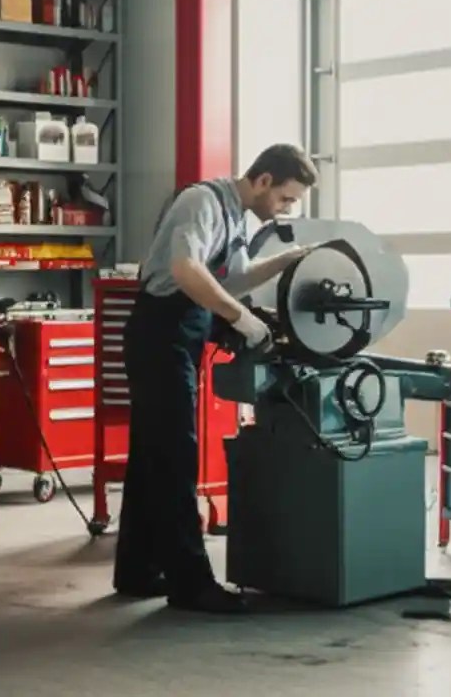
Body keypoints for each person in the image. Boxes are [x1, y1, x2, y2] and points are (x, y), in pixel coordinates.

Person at [113, 143, 320, 613]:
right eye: (286, 199)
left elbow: (232, 280)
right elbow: (186, 271)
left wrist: (286, 261)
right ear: (263, 179)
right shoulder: (202, 203)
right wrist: (243, 321)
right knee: (176, 458)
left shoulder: (236, 215)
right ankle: (190, 584)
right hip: (160, 334)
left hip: (178, 334)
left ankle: (136, 570)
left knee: (152, 458)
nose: (285, 209)